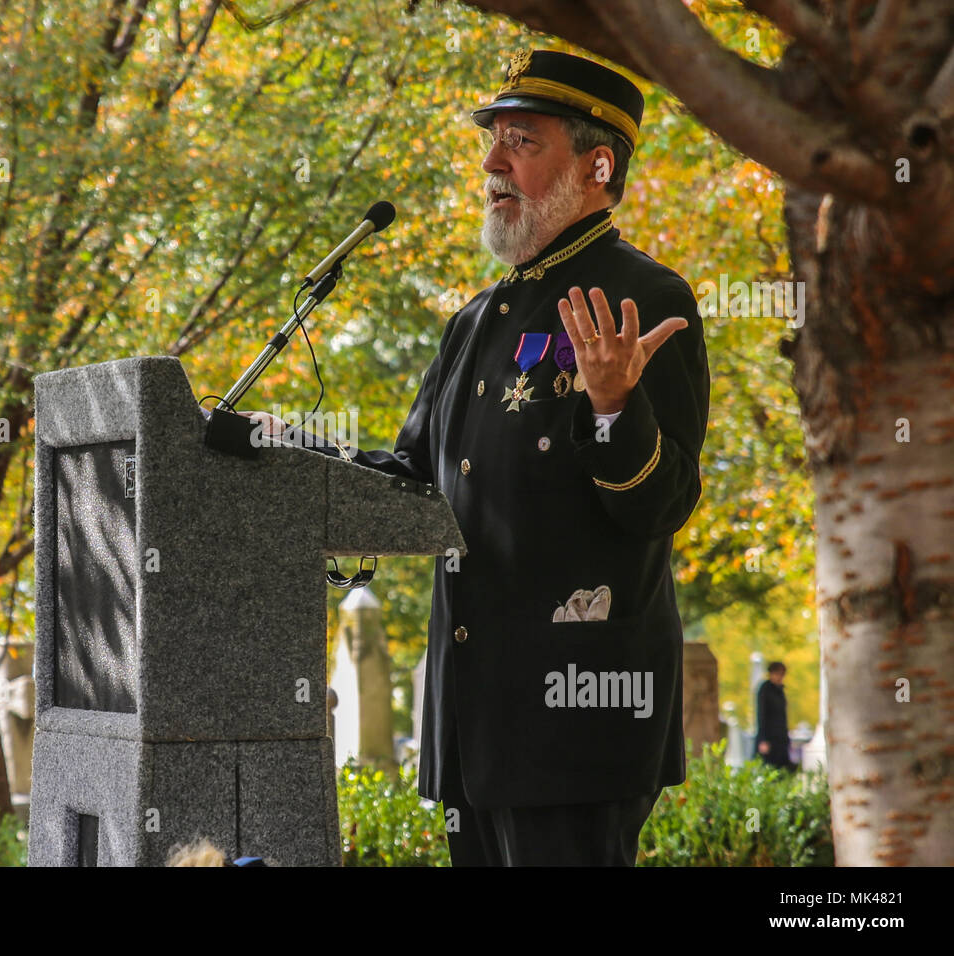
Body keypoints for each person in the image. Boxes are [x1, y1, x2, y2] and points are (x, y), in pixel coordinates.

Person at [242, 48, 709, 865]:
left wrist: (611, 407)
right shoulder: (475, 320)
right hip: (472, 721)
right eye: (492, 142)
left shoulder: (647, 299)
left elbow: (661, 504)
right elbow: (412, 482)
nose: (492, 164)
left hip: (578, 719)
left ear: (598, 164)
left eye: (521, 143)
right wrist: (273, 447)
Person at [755, 662, 795, 771]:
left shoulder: (780, 691)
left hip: (781, 738)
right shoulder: (765, 689)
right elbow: (761, 715)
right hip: (769, 737)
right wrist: (763, 739)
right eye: (778, 674)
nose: (780, 677)